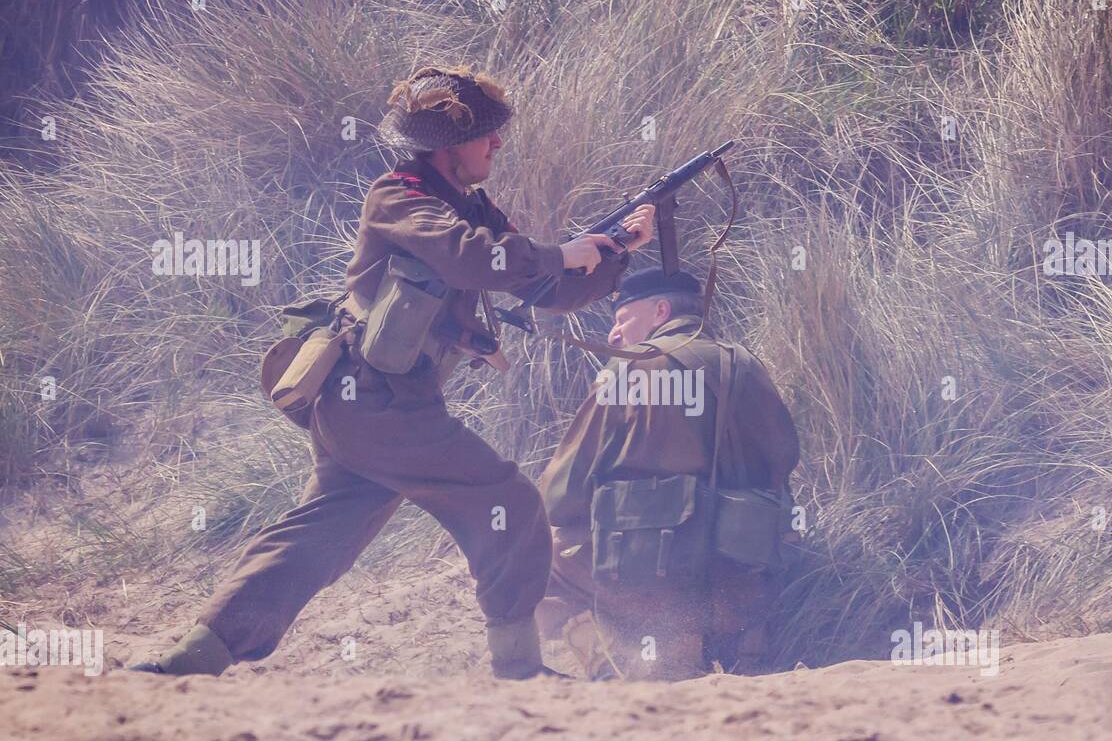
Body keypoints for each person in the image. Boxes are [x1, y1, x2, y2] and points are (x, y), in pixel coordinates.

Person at [131, 63, 656, 679]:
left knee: (318, 538)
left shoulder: (468, 204)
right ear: (445, 147)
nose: (497, 143)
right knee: (509, 502)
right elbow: (472, 260)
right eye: (485, 134)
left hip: (375, 406)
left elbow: (542, 287)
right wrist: (561, 251)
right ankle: (518, 671)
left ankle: (193, 658)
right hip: (376, 402)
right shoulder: (399, 196)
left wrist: (615, 252)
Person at [536, 268, 800, 679]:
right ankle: (742, 649)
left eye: (622, 319)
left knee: (533, 549)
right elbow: (782, 458)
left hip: (648, 580)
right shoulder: (744, 365)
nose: (614, 335)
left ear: (660, 311)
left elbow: (560, 497)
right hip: (739, 582)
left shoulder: (627, 371)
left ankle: (611, 661)